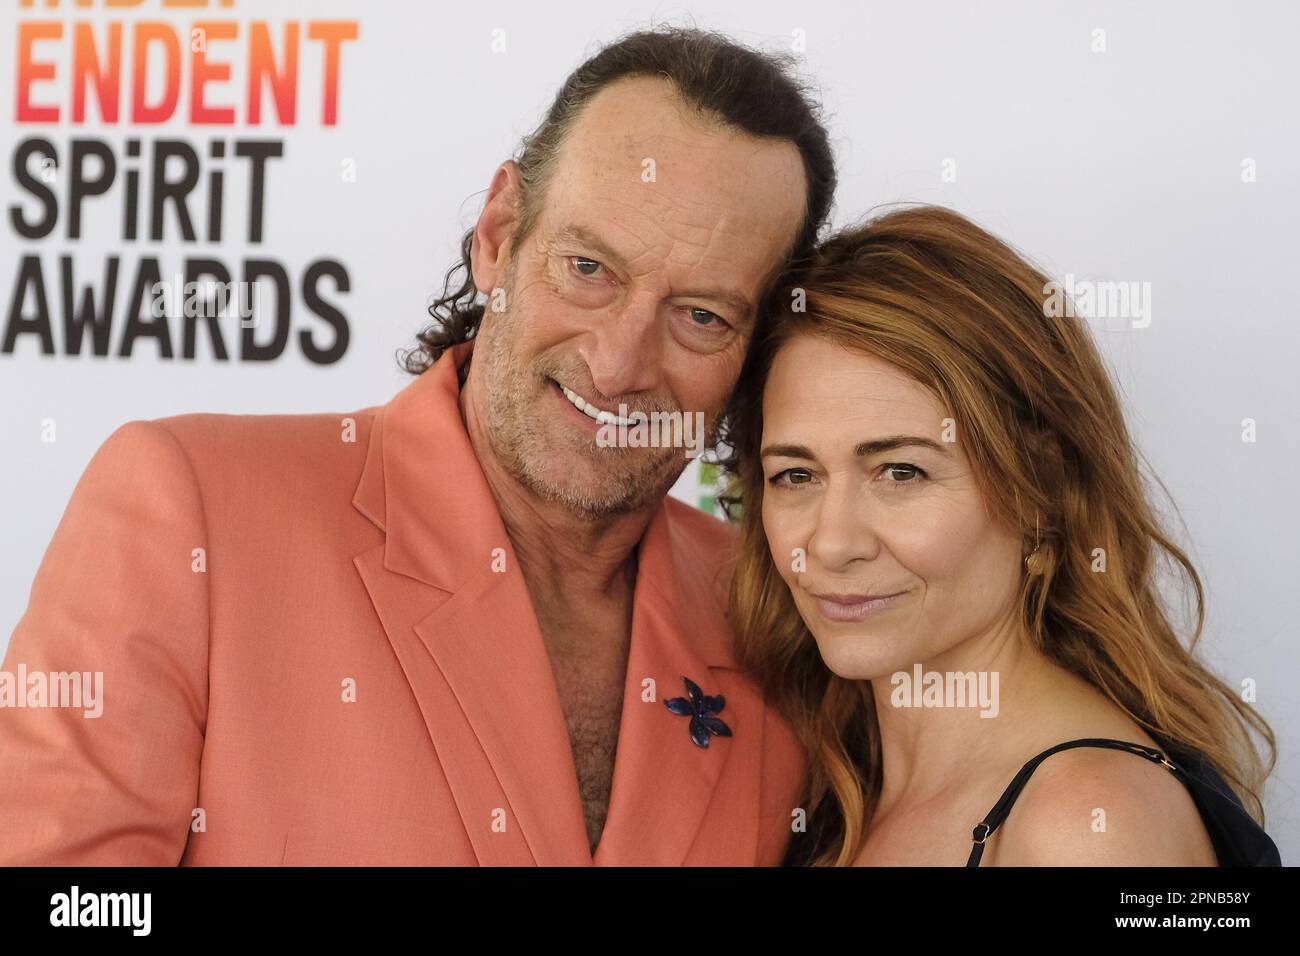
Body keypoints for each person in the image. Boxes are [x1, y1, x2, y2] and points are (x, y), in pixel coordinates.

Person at [0, 27, 836, 865]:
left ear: (760, 348)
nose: (618, 365)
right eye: (588, 268)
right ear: (499, 233)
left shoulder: (781, 612)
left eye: (701, 316)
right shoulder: (193, 511)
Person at [722, 205, 1281, 866]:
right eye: (796, 475)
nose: (832, 543)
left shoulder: (1088, 828)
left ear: (1039, 489)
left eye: (901, 472)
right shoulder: (828, 786)